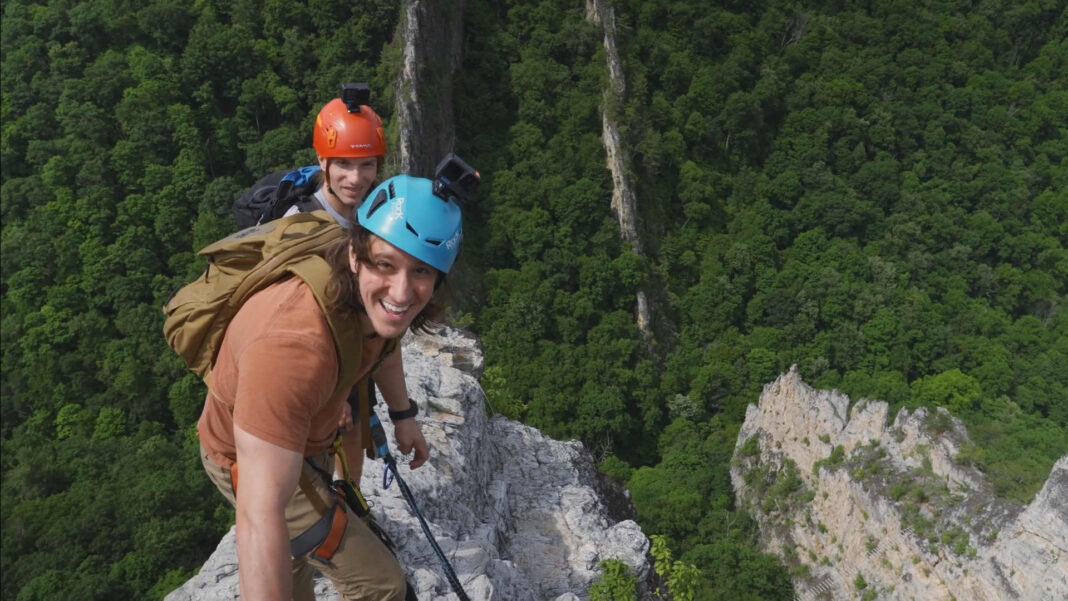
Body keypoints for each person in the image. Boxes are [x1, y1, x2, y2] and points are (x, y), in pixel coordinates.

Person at [197, 173, 464, 601]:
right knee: (382, 588)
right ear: (355, 255)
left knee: (294, 560)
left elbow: (385, 341)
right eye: (386, 264)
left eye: (421, 271)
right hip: (243, 451)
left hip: (308, 437)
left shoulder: (370, 301)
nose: (401, 290)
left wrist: (403, 415)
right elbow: (259, 513)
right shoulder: (291, 347)